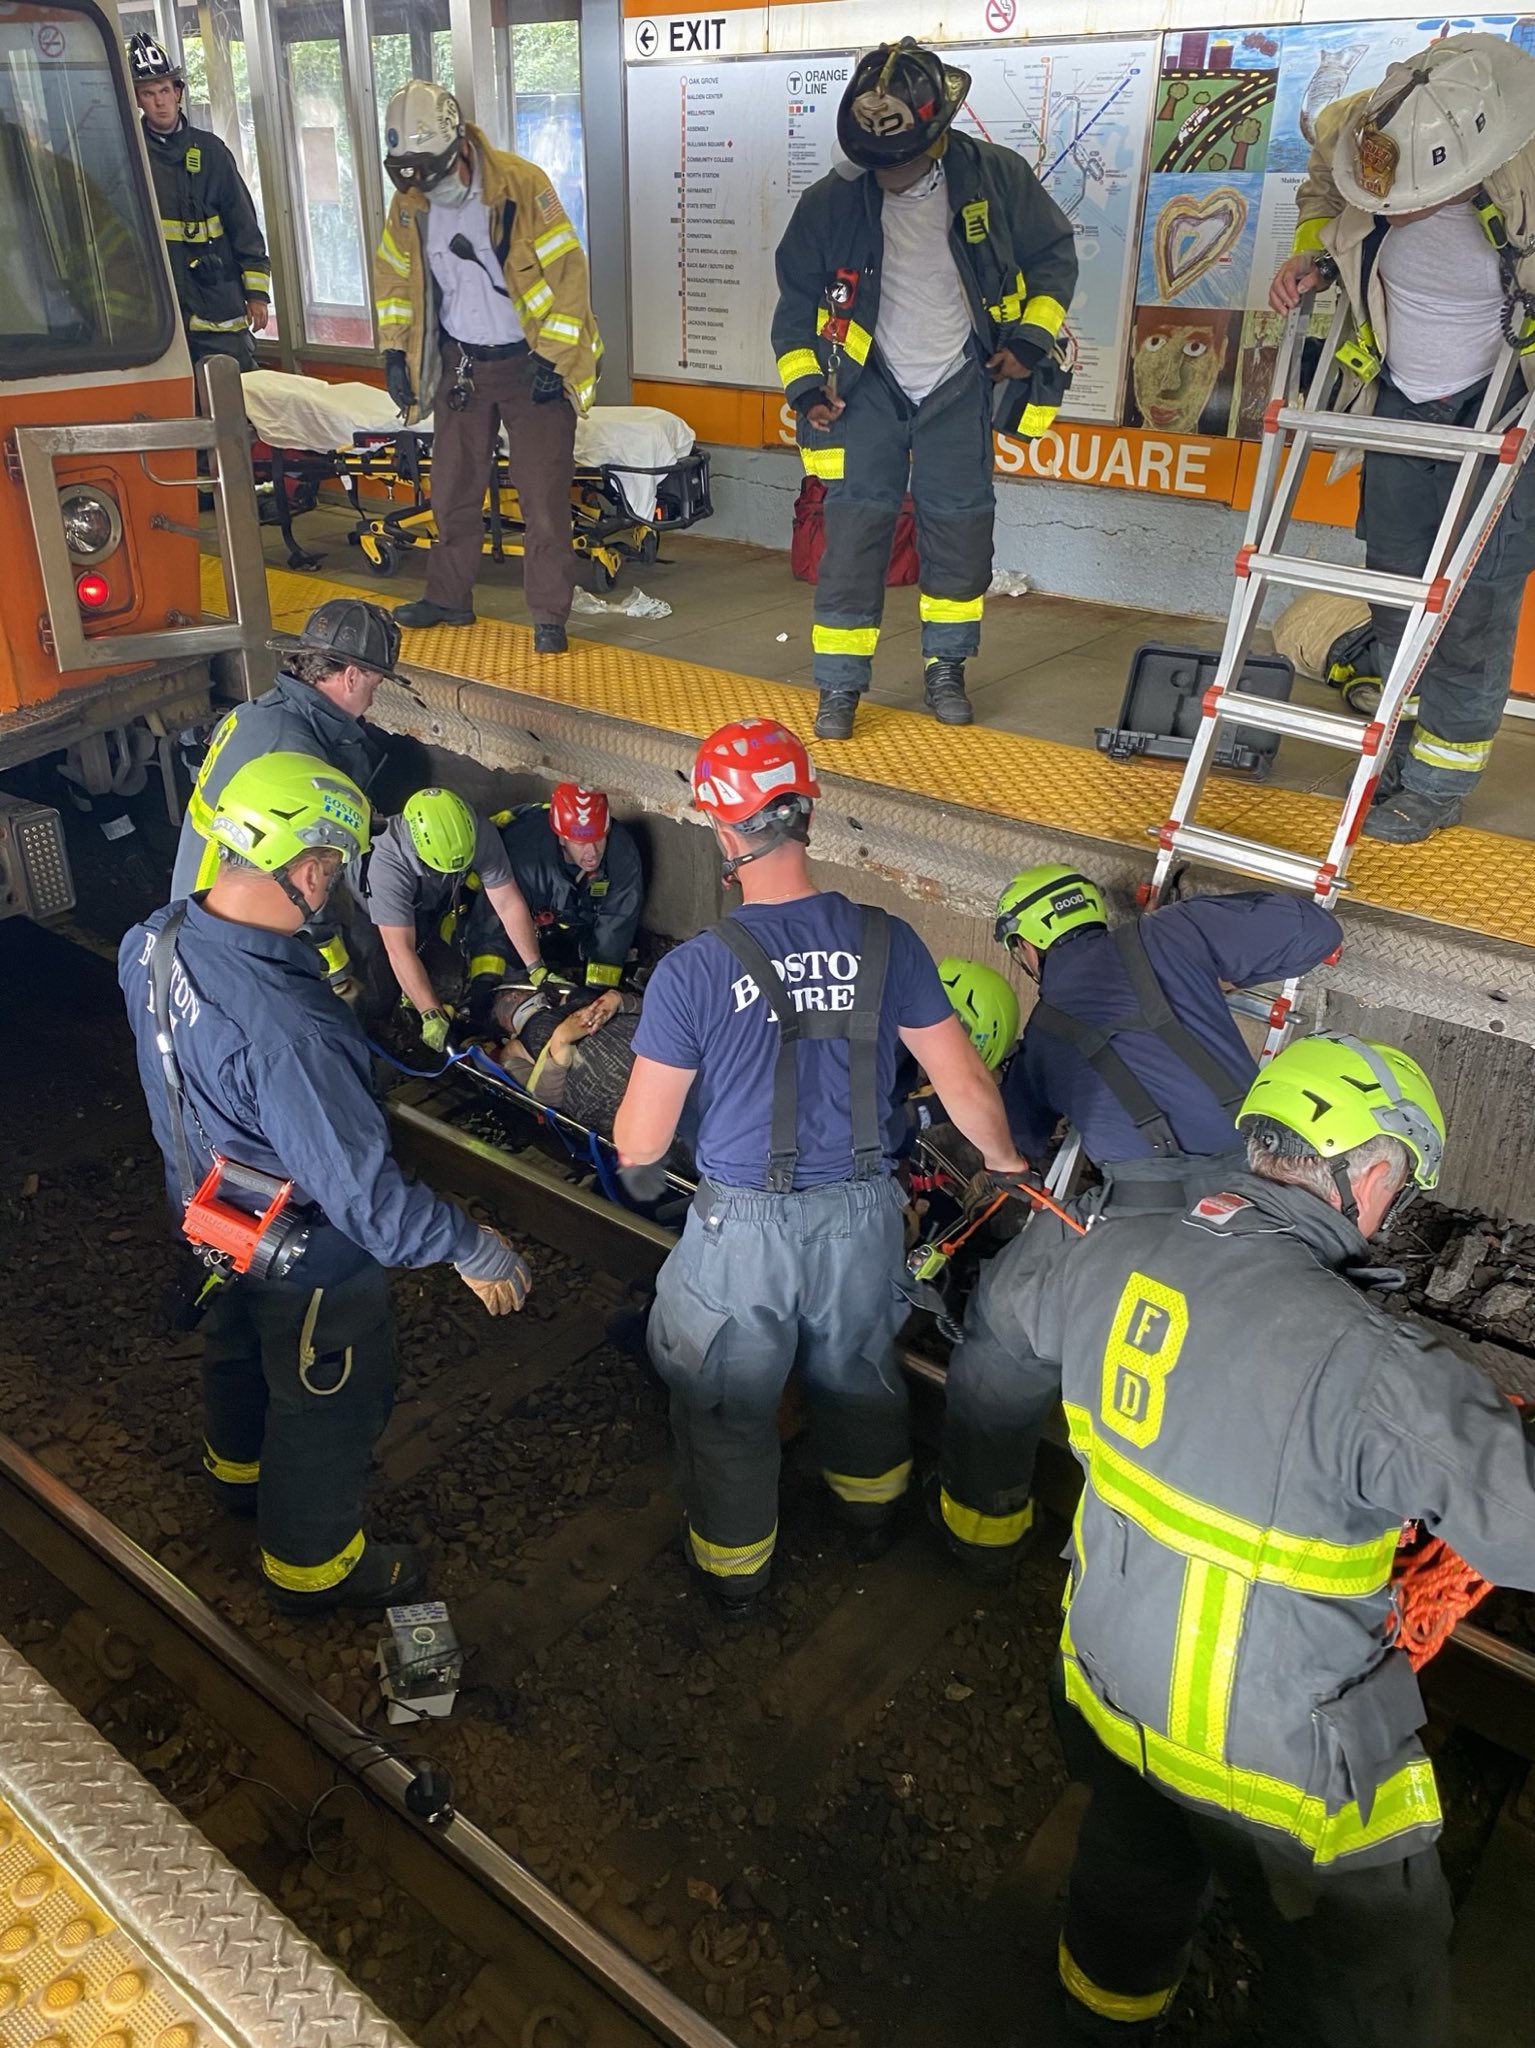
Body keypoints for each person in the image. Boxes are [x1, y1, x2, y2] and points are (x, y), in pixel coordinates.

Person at [952, 1032, 1535, 2044]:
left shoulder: (1108, 1246)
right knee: (1377, 1985)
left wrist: (981, 1508)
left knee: (1129, 1868)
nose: (1389, 1206)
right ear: (1364, 1171)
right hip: (1283, 1770)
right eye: (1393, 1180)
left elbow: (998, 1329)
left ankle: (1098, 2020)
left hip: (1108, 1690)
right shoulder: (1373, 1365)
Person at [612, 717, 1028, 1611]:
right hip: (862, 1220)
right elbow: (962, 1081)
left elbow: (640, 1145)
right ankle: (869, 1515)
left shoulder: (692, 972)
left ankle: (735, 1576)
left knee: (725, 1403)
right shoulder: (889, 941)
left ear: (720, 830)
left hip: (744, 1232)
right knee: (859, 1371)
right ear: (809, 813)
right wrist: (1002, 1163)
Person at [119, 755, 531, 1613]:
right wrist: (471, 1246)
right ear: (307, 867)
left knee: (233, 1337)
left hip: (208, 1209)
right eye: (335, 868)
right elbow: (369, 1205)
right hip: (303, 1254)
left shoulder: (153, 939)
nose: (335, 885)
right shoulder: (292, 1033)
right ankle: (313, 1567)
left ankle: (237, 1474)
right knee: (325, 1397)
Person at [1268, 32, 1535, 845]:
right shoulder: (1358, 130)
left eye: (1401, 199)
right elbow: (1323, 193)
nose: (1380, 208)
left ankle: (1437, 782)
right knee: (1394, 593)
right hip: (1395, 398)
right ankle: (1391, 745)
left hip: (1497, 408)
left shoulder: (1524, 166)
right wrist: (1312, 252)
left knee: (1476, 602)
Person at [772, 39, 1077, 741]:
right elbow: (793, 307)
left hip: (958, 385)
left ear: (935, 133)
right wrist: (804, 390)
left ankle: (947, 668)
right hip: (863, 391)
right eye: (873, 162)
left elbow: (1052, 256)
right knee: (852, 535)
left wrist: (1027, 342)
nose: (886, 174)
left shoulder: (994, 178)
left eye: (901, 160)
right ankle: (840, 686)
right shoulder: (831, 202)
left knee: (960, 529)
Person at [373, 80, 600, 653]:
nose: (425, 186)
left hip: (532, 368)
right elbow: (395, 280)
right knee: (452, 487)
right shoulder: (410, 204)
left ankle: (549, 615)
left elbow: (569, 276)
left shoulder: (522, 187)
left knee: (543, 498)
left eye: (432, 171)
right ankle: (449, 599)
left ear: (459, 148)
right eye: (411, 175)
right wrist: (395, 349)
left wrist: (555, 359)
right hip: (462, 366)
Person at [995, 866, 1343, 1207]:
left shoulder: (1041, 1038)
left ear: (1029, 943)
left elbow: (1011, 1146)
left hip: (1148, 1206)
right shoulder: (1171, 932)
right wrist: (1215, 974)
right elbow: (1317, 932)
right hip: (1262, 1160)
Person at [172, 598, 404, 900]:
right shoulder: (293, 757)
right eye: (373, 687)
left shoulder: (257, 714)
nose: (371, 701)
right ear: (351, 677)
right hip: (233, 912)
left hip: (203, 900)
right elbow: (300, 878)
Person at [346, 787, 546, 1050]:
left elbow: (507, 902)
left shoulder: (478, 833)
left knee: (438, 962)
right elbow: (399, 948)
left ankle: (414, 997)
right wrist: (431, 1014)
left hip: (424, 898)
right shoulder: (387, 865)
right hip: (363, 908)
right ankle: (378, 1030)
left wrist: (537, 968)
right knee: (377, 980)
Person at [128, 33, 270, 374]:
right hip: (160, 317)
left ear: (178, 93)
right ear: (137, 100)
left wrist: (257, 295)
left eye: (165, 90)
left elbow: (244, 226)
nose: (160, 101)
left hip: (218, 309)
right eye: (149, 93)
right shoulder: (130, 156)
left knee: (240, 398)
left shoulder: (211, 153)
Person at [463, 784, 643, 1004]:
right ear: (561, 837)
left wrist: (597, 990)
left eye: (598, 839)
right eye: (580, 843)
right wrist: (485, 983)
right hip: (520, 917)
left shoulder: (620, 850)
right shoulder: (523, 854)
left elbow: (617, 921)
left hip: (577, 920)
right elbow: (494, 919)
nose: (592, 853)